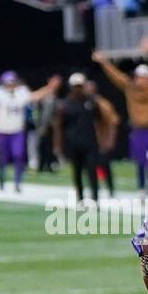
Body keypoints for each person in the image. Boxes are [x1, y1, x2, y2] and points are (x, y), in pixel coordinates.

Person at [92, 45, 148, 193]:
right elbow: (116, 76)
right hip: (138, 130)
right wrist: (103, 62)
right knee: (140, 160)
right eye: (139, 77)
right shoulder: (130, 87)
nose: (141, 80)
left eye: (144, 77)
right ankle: (142, 187)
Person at [0, 70, 61, 192]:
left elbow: (36, 96)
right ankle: (1, 176)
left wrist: (50, 87)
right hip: (1, 130)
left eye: (12, 82)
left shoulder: (21, 92)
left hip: (17, 130)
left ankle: (17, 182)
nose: (10, 85)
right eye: (8, 83)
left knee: (18, 155)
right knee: (2, 157)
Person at [52, 73, 106, 202]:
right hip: (73, 142)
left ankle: (95, 198)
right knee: (76, 171)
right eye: (75, 86)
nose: (78, 89)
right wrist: (58, 145)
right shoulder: (65, 104)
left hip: (90, 142)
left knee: (92, 170)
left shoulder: (91, 101)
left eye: (80, 86)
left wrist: (102, 139)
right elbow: (59, 127)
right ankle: (80, 198)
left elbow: (100, 120)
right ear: (71, 87)